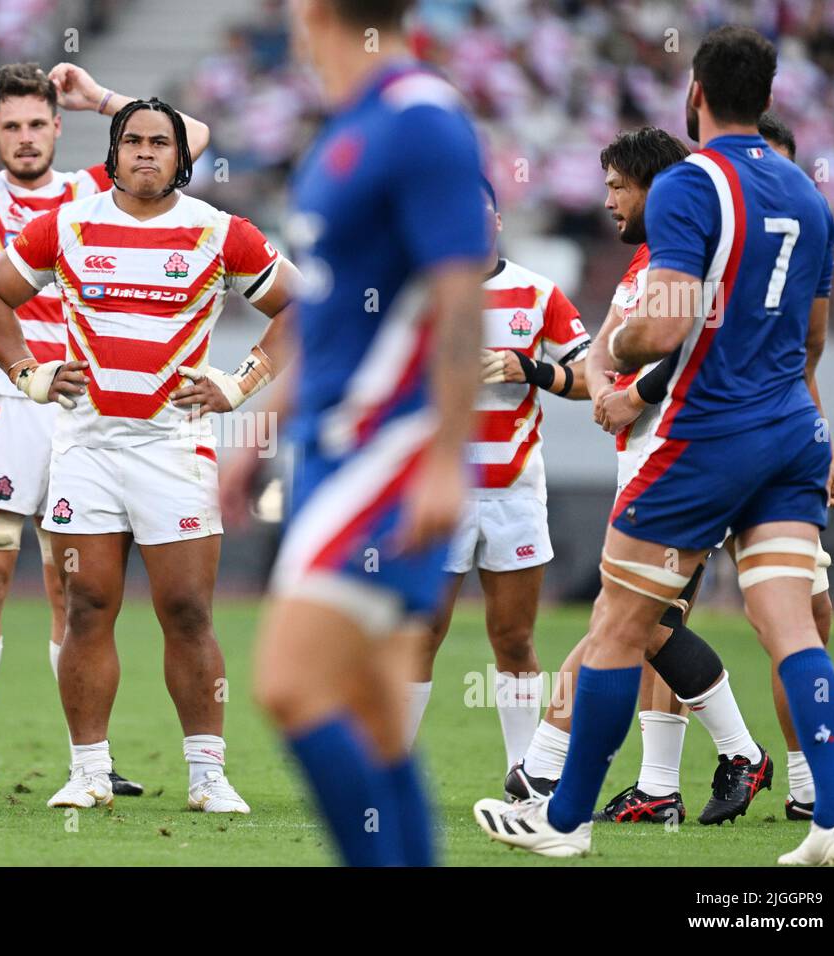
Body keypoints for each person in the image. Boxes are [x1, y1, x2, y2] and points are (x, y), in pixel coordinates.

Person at [476, 27, 834, 866]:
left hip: (705, 438)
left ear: (695, 94)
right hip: (792, 432)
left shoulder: (692, 182)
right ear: (766, 96)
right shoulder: (807, 190)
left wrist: (614, 351)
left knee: (619, 624)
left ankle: (566, 820)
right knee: (793, 627)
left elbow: (669, 320)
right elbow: (812, 343)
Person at [0, 96, 295, 813]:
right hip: (86, 448)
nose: (147, 152)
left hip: (174, 449)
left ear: (182, 157)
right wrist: (29, 372)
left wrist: (241, 382)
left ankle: (208, 776)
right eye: (133, 140)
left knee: (186, 611)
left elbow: (301, 308)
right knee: (86, 606)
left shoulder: (220, 232)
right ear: (113, 152)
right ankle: (88, 771)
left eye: (161, 143)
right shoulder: (68, 225)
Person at [0, 62, 210, 793]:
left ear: (61, 129)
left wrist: (100, 93)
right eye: (12, 124)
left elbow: (188, 136)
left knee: (75, 590)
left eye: (39, 123)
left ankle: (87, 762)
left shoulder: (91, 192)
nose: (27, 137)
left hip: (78, 419)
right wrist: (3, 79)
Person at [255, 0, 488, 866]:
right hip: (328, 449)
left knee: (289, 685)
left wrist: (442, 458)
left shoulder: (420, 117)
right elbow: (328, 311)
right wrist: (260, 430)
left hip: (385, 455)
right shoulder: (347, 125)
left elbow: (462, 297)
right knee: (380, 716)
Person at [507, 128, 768, 828]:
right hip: (646, 457)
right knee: (641, 621)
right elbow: (602, 350)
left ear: (661, 189)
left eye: (620, 186)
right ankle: (664, 783)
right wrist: (601, 384)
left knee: (626, 617)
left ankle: (546, 771)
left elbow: (685, 351)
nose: (608, 199)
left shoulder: (690, 264)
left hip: (684, 460)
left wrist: (633, 394)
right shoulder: (649, 262)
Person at [409, 180, 591, 768]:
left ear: (499, 220)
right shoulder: (420, 291)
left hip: (513, 492)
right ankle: (394, 769)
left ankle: (524, 772)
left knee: (513, 638)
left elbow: (593, 378)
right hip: (440, 489)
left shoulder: (538, 294)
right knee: (419, 634)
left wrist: (528, 367)